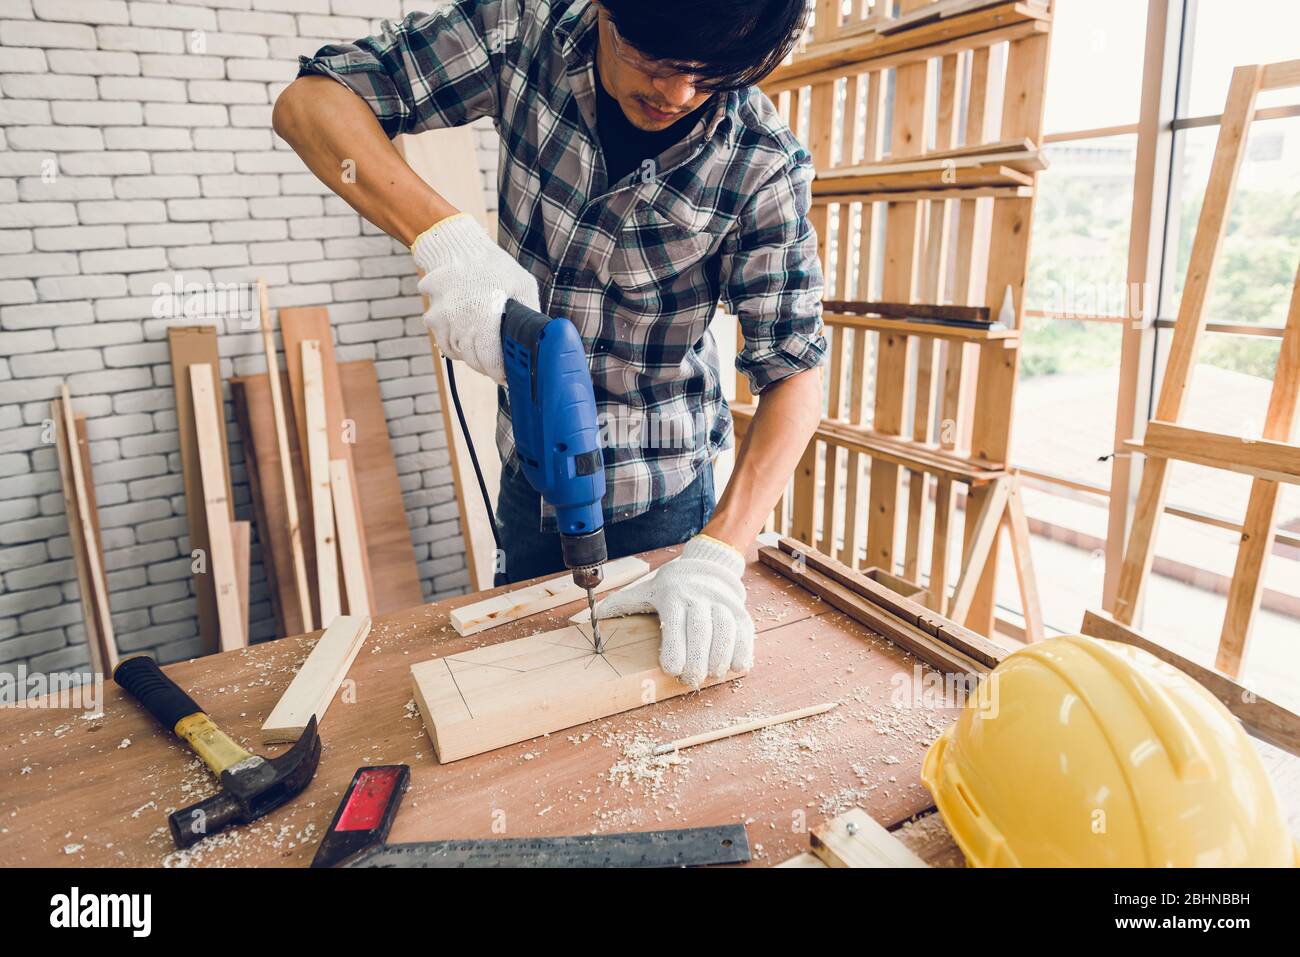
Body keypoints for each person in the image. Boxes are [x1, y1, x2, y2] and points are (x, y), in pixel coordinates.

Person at [273, 0, 826, 686]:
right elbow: (310, 104)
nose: (676, 94)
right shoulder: (522, 31)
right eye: (653, 60)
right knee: (522, 694)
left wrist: (718, 553)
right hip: (532, 481)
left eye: (708, 75)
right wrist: (445, 238)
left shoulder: (762, 159)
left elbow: (797, 374)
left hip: (666, 501)